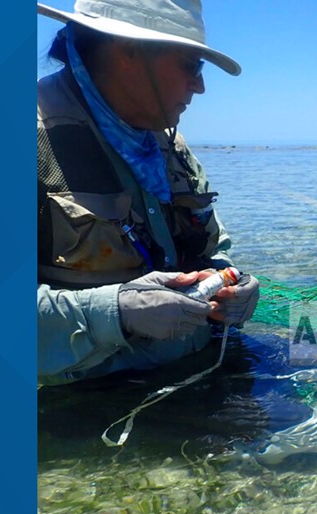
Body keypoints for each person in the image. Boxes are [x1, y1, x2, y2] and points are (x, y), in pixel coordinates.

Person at [37, 0, 260, 386]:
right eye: (191, 65)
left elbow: (214, 245)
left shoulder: (169, 144)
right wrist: (118, 312)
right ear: (129, 50)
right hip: (90, 407)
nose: (200, 85)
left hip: (197, 374)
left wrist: (232, 281)